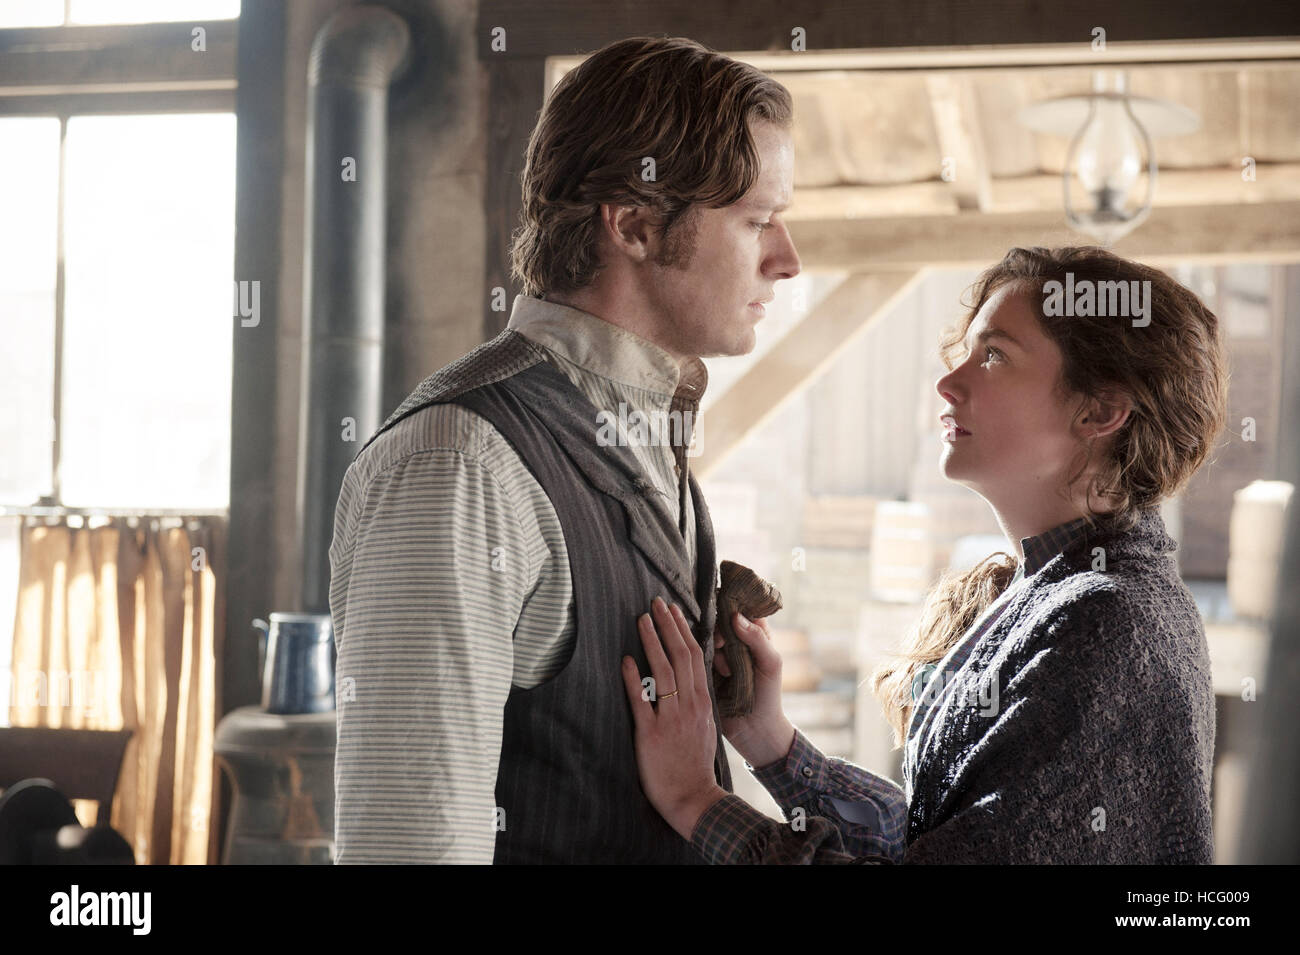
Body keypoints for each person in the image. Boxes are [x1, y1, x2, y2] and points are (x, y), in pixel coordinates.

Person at [328, 36, 801, 863]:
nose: (786, 260)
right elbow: (411, 845)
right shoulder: (459, 464)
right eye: (758, 220)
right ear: (635, 225)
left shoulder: (649, 433)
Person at [624, 245, 1229, 864]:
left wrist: (694, 799)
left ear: (1099, 410)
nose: (948, 381)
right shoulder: (1055, 593)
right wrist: (770, 741)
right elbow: (937, 839)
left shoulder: (1111, 624)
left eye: (994, 356)